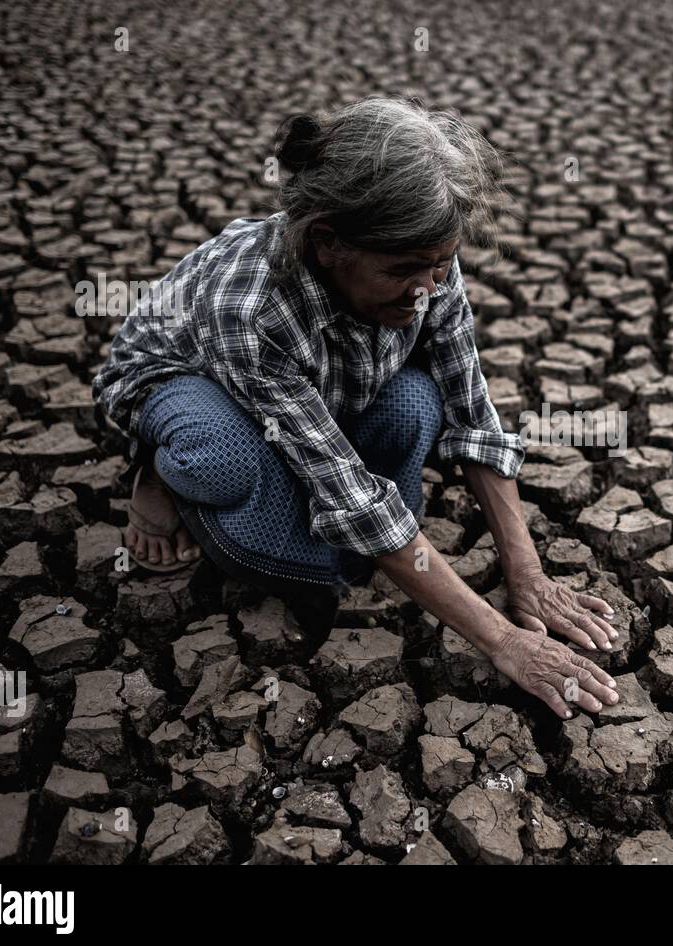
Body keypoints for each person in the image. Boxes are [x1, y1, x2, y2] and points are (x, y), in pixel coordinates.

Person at [92, 96, 618, 719]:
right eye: (403, 270)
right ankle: (158, 468)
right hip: (184, 382)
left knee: (418, 405)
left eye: (441, 265)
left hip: (313, 394)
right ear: (328, 243)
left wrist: (526, 574)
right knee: (284, 546)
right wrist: (504, 641)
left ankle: (294, 474)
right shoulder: (250, 307)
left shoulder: (426, 267)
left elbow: (472, 416)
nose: (426, 289)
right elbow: (352, 499)